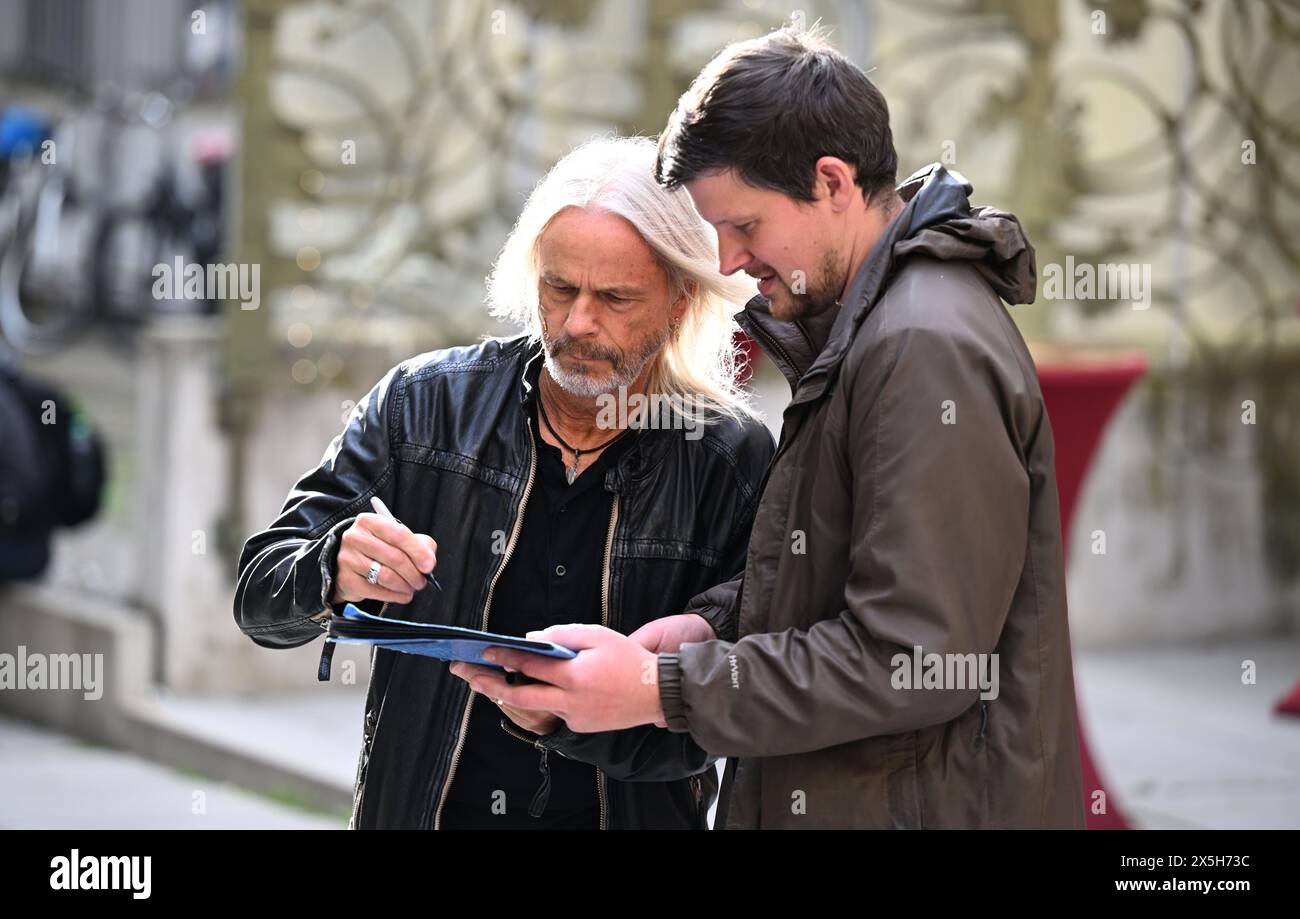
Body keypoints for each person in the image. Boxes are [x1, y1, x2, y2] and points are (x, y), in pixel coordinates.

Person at [456, 26, 1087, 830]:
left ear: (832, 183)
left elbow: (919, 660)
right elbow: (837, 582)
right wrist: (709, 626)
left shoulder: (922, 346)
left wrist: (662, 688)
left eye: (744, 226)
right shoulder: (877, 329)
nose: (725, 260)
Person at [234, 136, 774, 829]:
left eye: (614, 297)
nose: (579, 322)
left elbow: (736, 707)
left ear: (679, 299)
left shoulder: (728, 457)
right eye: (559, 287)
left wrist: (580, 714)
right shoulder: (424, 405)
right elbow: (258, 599)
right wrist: (330, 567)